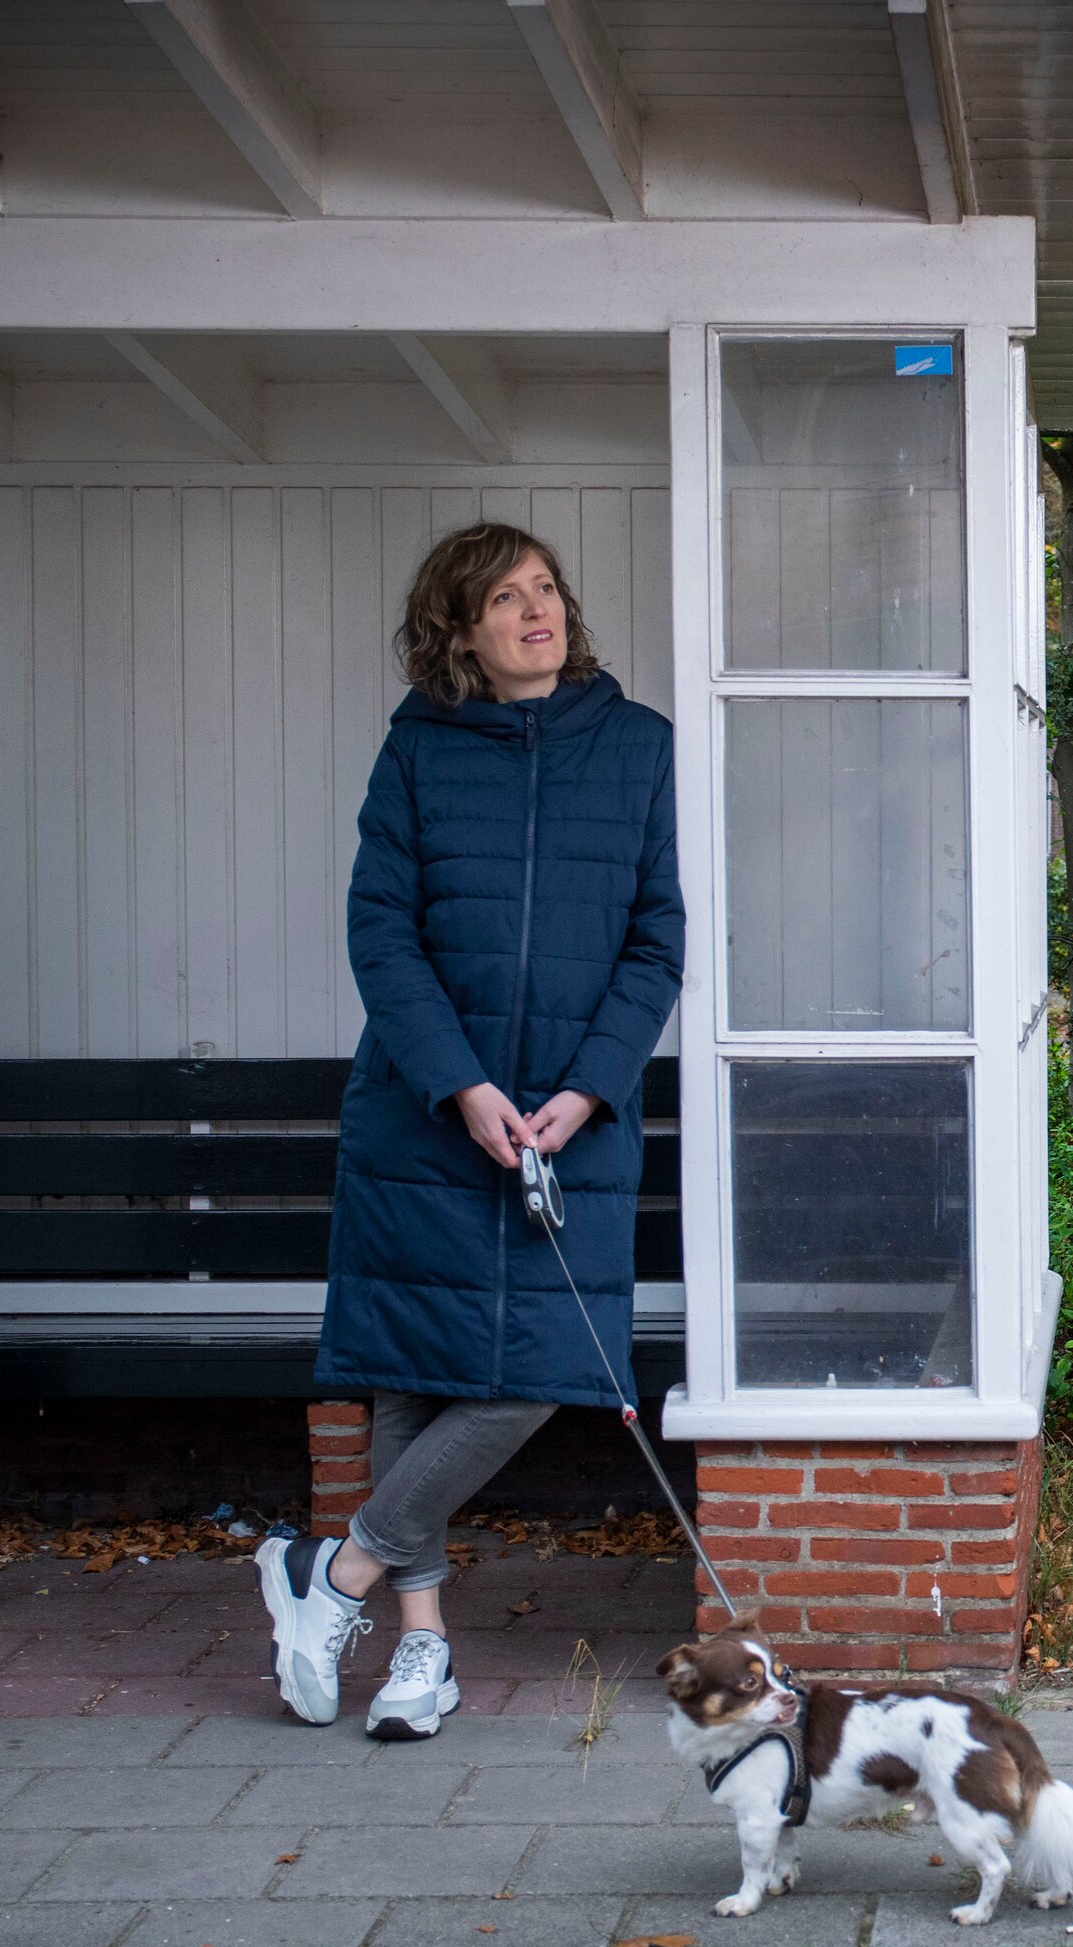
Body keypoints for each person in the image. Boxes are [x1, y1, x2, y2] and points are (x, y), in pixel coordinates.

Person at [255, 522, 682, 1739]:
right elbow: (379, 935)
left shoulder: (638, 747)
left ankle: (330, 1576)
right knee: (418, 1370)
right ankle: (420, 1652)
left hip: (572, 1120)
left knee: (552, 1368)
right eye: (505, 599)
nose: (535, 612)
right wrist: (461, 1087)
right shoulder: (417, 751)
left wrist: (589, 1090)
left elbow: (657, 939)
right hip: (427, 1112)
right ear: (459, 627)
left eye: (545, 589)